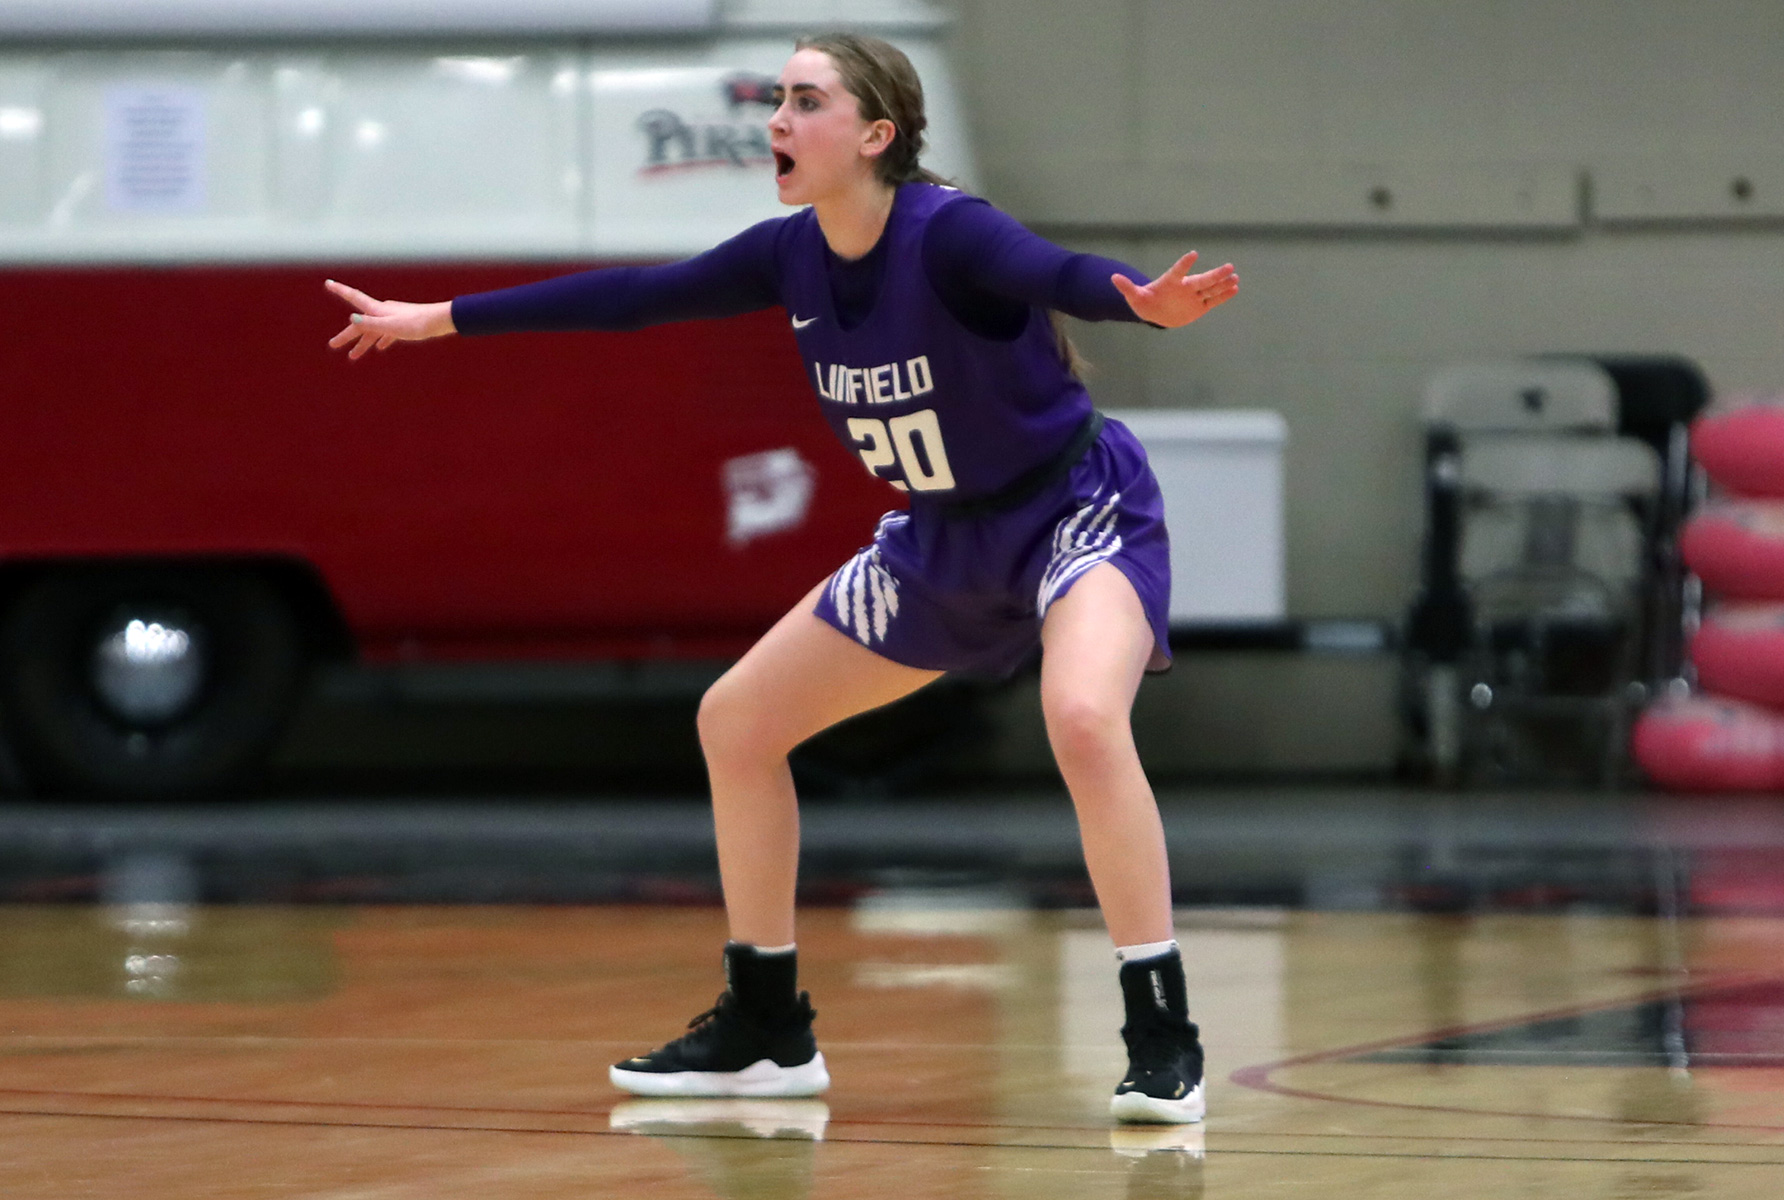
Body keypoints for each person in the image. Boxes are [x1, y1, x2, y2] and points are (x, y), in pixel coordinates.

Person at [326, 32, 1238, 1124]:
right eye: (776, 100)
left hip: (1072, 511)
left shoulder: (950, 233)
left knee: (1084, 718)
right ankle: (765, 1028)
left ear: (874, 135)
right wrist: (442, 319)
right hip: (938, 542)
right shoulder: (790, 254)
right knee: (738, 722)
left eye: (804, 101)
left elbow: (1058, 276)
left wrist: (1138, 300)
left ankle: (1161, 1034)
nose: (776, 121)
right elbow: (636, 296)